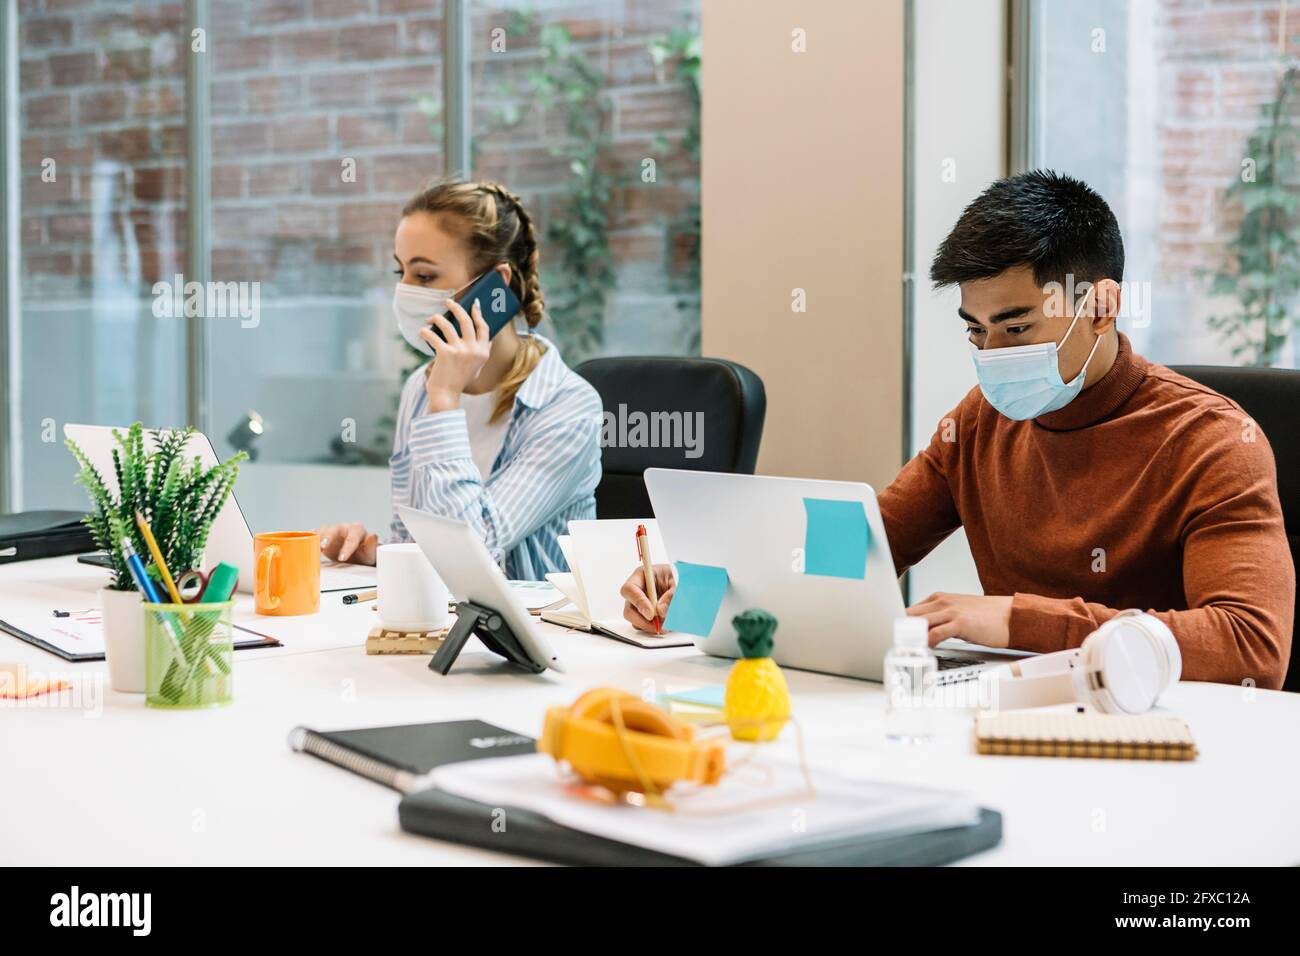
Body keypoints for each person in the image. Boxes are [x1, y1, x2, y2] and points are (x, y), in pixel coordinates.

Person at [623, 170, 1294, 689]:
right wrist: (706, 587)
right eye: (977, 330)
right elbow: (859, 547)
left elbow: (1251, 647)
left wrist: (1012, 619)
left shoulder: (1211, 441)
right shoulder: (978, 422)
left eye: (1018, 328)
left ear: (1101, 306)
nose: (993, 356)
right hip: (1002, 722)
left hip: (1158, 743)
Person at [318, 179, 602, 579]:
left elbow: (476, 551)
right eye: (401, 272)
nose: (404, 291)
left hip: (538, 635)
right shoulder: (422, 387)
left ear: (495, 288)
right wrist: (377, 553)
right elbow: (421, 545)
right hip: (446, 627)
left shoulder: (567, 406)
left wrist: (446, 402)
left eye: (425, 275)